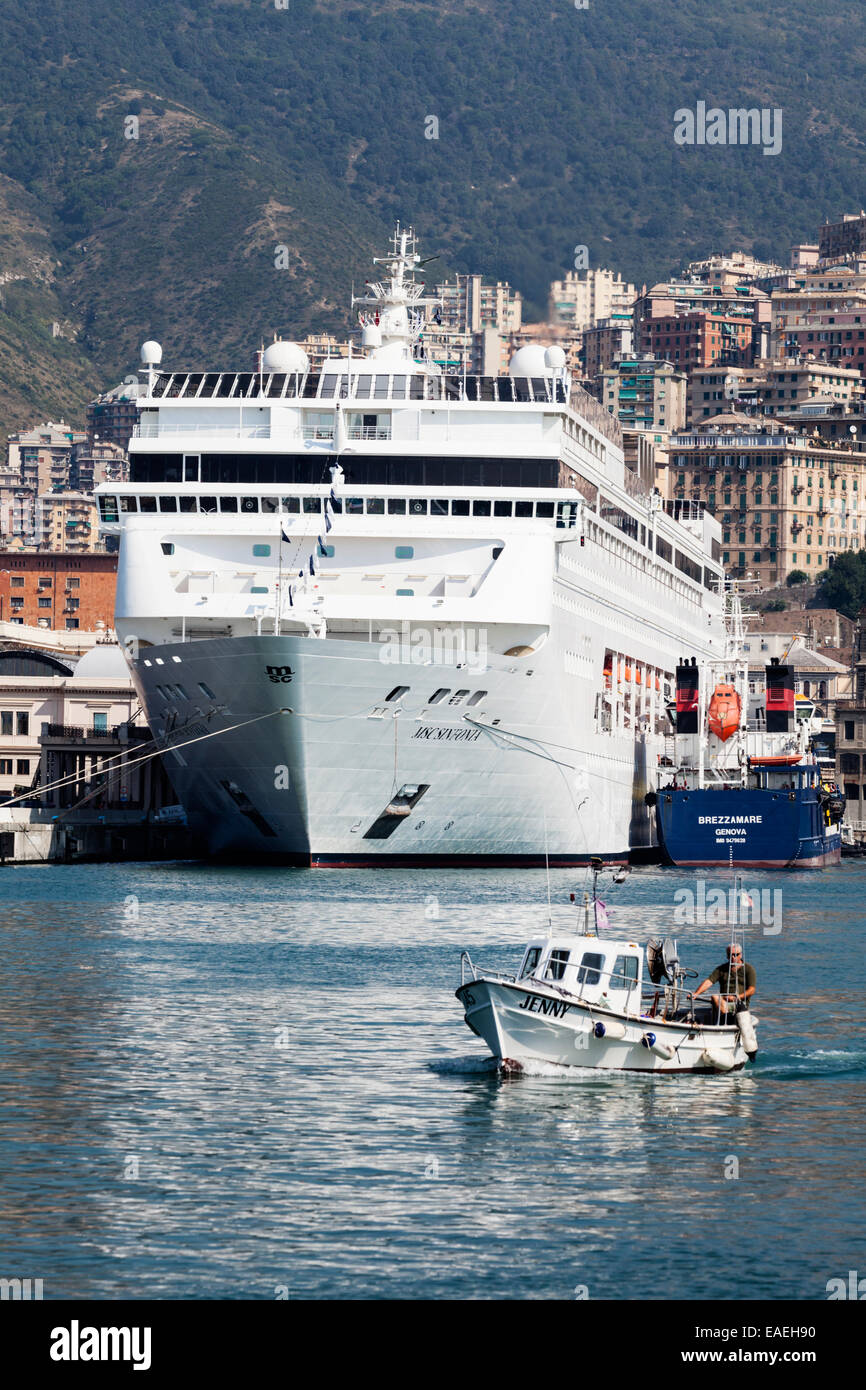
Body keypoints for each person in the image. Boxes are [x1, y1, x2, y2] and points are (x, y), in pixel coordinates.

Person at [694, 943, 756, 1023]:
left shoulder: (748, 969)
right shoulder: (721, 969)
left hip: (740, 1003)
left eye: (736, 955)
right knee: (714, 997)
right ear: (727, 956)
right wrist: (696, 994)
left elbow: (752, 990)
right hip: (724, 1000)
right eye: (731, 955)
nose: (733, 957)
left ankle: (727, 1020)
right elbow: (709, 982)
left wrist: (737, 997)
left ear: (740, 955)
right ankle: (727, 1019)